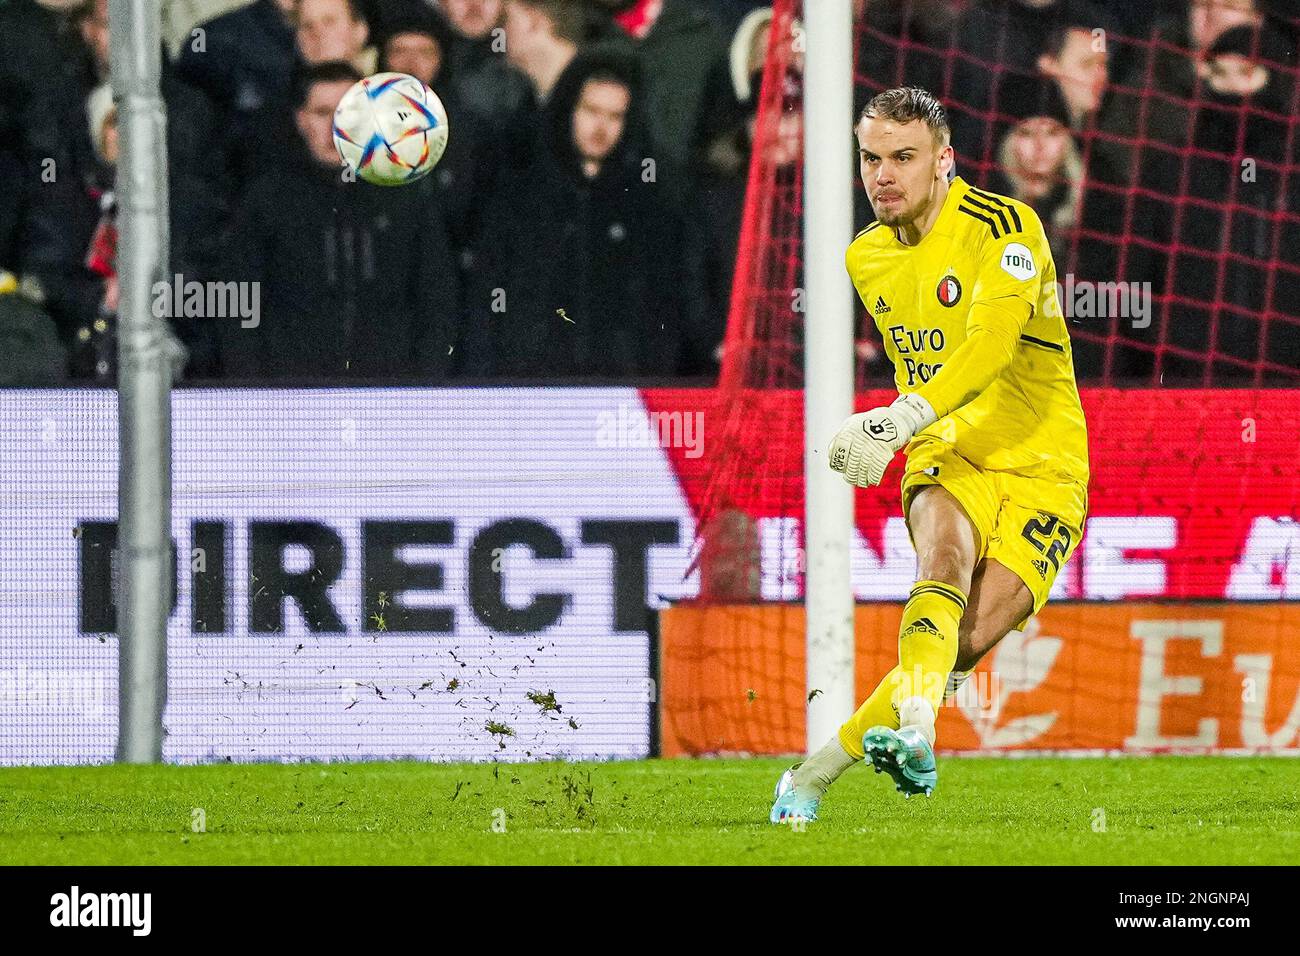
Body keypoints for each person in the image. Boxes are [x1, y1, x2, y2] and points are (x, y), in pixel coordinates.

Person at [771, 87, 1089, 820]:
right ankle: (918, 728)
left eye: (904, 158)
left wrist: (900, 414)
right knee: (940, 560)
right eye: (871, 158)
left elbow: (990, 344)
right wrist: (913, 425)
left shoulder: (1006, 227)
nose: (884, 174)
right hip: (949, 448)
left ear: (944, 160)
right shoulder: (865, 258)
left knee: (962, 645)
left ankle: (815, 771)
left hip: (1046, 464)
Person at [464, 46, 703, 377]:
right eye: (591, 110)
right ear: (568, 109)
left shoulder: (649, 205)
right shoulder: (520, 193)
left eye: (615, 116)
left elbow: (662, 314)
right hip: (529, 390)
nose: (601, 128)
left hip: (620, 396)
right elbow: (488, 297)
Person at [215, 61, 463, 379]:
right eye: (322, 112)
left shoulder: (406, 195)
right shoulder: (268, 200)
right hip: (291, 396)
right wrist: (252, 389)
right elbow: (239, 303)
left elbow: (437, 299)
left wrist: (426, 383)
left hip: (392, 395)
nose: (335, 125)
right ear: (301, 119)